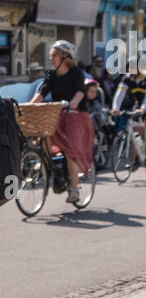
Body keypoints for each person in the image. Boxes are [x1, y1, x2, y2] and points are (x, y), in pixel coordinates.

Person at [29, 40, 93, 202]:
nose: (51, 58)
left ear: (66, 56)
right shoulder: (51, 74)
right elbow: (42, 93)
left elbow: (80, 91)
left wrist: (73, 102)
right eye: (51, 55)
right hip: (57, 115)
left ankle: (74, 190)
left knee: (70, 152)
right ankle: (50, 168)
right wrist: (28, 106)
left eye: (55, 55)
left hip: (75, 116)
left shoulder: (76, 73)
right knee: (43, 139)